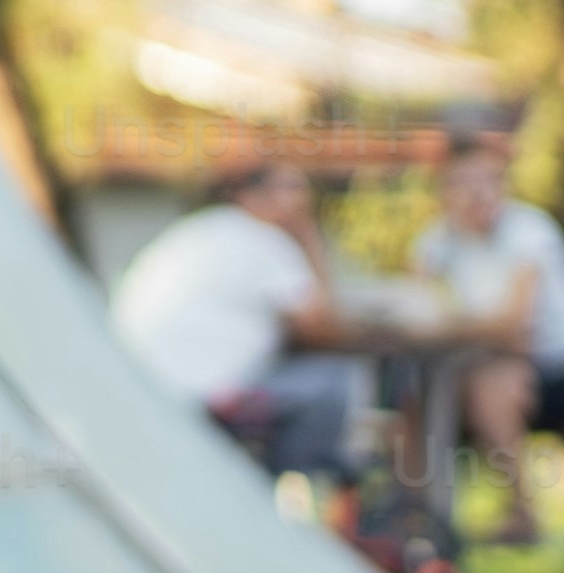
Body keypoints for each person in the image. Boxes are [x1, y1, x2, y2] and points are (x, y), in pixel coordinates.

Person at [109, 157, 389, 479]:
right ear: (250, 196)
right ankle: (298, 485)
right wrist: (309, 239)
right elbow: (323, 330)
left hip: (140, 384)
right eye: (290, 190)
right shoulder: (264, 239)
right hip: (204, 396)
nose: (301, 204)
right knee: (336, 381)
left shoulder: (205, 229)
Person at [409, 118, 555, 544]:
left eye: (491, 180)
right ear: (444, 191)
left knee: (490, 386)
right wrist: (473, 330)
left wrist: (456, 327)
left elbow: (515, 326)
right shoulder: (435, 242)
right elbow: (421, 310)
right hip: (466, 364)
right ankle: (419, 522)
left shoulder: (528, 229)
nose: (480, 194)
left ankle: (523, 513)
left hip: (542, 365)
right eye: (467, 182)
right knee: (407, 397)